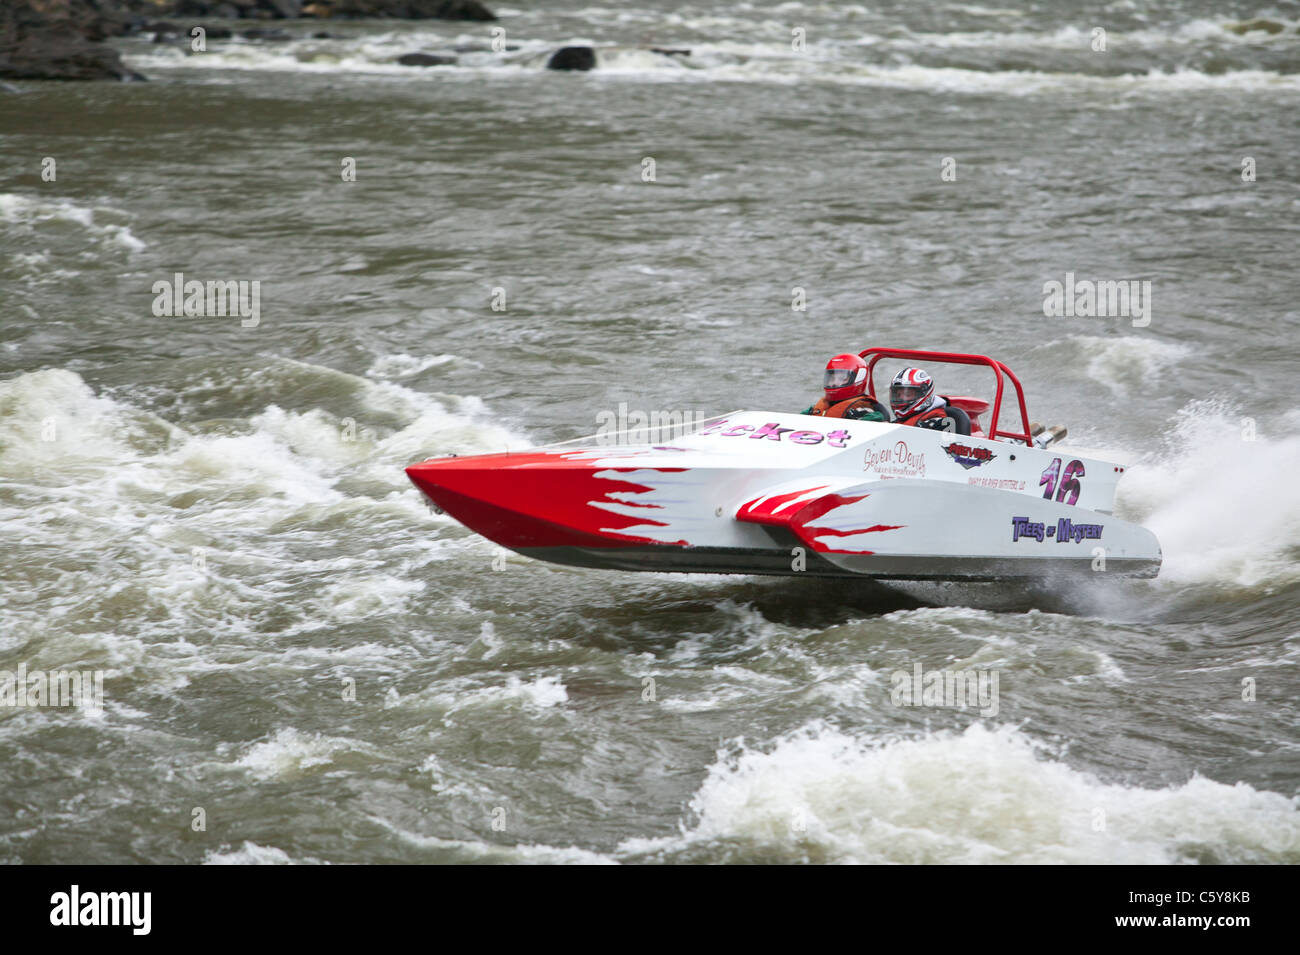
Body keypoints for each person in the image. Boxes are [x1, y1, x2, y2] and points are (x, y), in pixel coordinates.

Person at [801, 353, 890, 421]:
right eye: (831, 378)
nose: (834, 383)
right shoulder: (815, 409)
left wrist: (857, 419)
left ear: (858, 378)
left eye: (842, 378)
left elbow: (880, 417)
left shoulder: (864, 409)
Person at [889, 367, 971, 435]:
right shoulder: (898, 423)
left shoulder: (943, 422)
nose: (901, 399)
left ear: (924, 393)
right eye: (898, 395)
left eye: (907, 394)